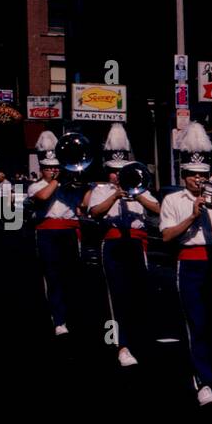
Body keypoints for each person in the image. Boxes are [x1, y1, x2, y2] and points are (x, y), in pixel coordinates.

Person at [161, 122, 212, 406]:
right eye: (193, 176)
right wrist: (191, 216)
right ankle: (202, 380)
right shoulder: (173, 200)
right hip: (189, 263)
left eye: (203, 176)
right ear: (185, 175)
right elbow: (166, 236)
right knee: (196, 323)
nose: (199, 181)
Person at [85, 124, 160, 367]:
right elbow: (95, 212)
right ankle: (121, 344)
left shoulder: (140, 188)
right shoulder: (100, 190)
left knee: (138, 294)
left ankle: (137, 338)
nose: (117, 176)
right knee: (116, 294)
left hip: (137, 245)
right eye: (113, 172)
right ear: (108, 171)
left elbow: (157, 210)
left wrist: (135, 193)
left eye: (121, 171)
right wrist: (115, 195)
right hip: (113, 244)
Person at [27, 130, 83, 336]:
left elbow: (83, 206)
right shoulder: (36, 186)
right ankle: (58, 318)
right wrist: (56, 181)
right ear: (41, 169)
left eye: (55, 167)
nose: (52, 171)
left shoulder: (69, 185)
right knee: (53, 276)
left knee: (71, 275)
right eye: (48, 168)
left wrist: (79, 182)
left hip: (69, 232)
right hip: (47, 234)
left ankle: (72, 314)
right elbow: (43, 197)